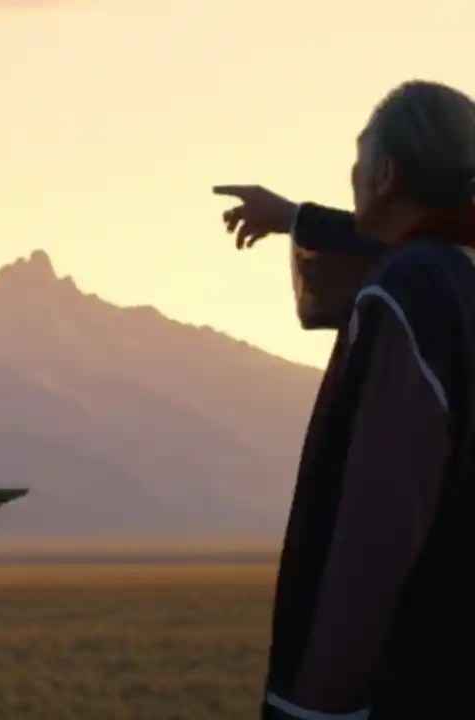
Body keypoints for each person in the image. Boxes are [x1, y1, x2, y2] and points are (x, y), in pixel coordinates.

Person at [215, 80, 475, 719]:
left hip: (423, 673)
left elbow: (380, 520)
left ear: (385, 175)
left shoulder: (413, 292)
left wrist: (319, 702)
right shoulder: (458, 271)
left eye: (358, 165)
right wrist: (293, 218)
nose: (352, 179)